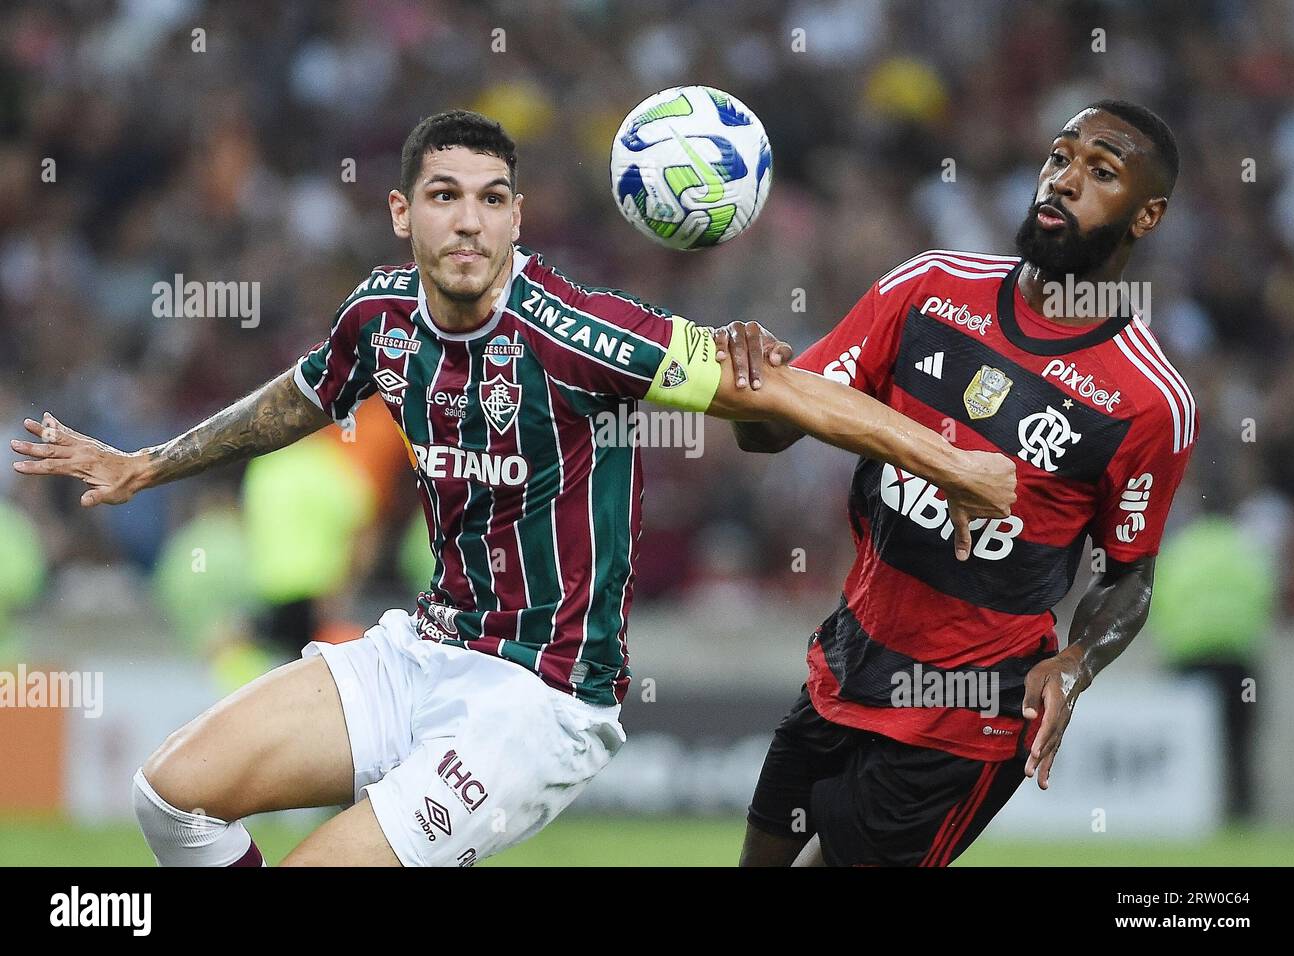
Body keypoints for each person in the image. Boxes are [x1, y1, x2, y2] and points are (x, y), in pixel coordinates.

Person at [10, 110, 1014, 867]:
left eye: (492, 197)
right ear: (403, 211)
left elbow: (789, 396)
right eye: (444, 194)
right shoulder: (381, 315)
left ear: (516, 215)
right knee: (168, 796)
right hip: (424, 647)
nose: (469, 219)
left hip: (540, 694)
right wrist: (148, 463)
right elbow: (301, 397)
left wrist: (957, 461)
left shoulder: (580, 331)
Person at [719, 100, 1199, 866]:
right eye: (1059, 156)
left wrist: (1078, 663)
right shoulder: (927, 289)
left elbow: (1130, 576)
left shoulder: (1149, 400)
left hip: (963, 714)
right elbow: (768, 433)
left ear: (1147, 216)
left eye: (1100, 172)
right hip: (845, 659)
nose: (1064, 180)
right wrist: (755, 380)